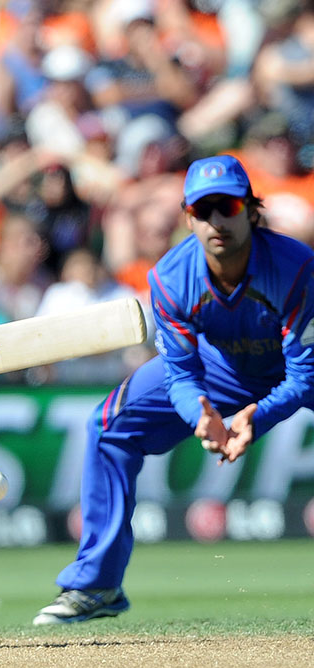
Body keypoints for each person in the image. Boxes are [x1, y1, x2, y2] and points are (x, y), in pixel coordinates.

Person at [34, 155, 314, 625]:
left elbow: (304, 375)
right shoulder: (170, 278)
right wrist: (200, 415)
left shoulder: (297, 267)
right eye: (202, 211)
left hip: (296, 368)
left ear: (250, 209)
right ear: (189, 217)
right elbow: (181, 374)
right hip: (219, 370)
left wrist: (256, 416)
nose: (215, 221)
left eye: (226, 207)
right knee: (108, 427)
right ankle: (96, 584)